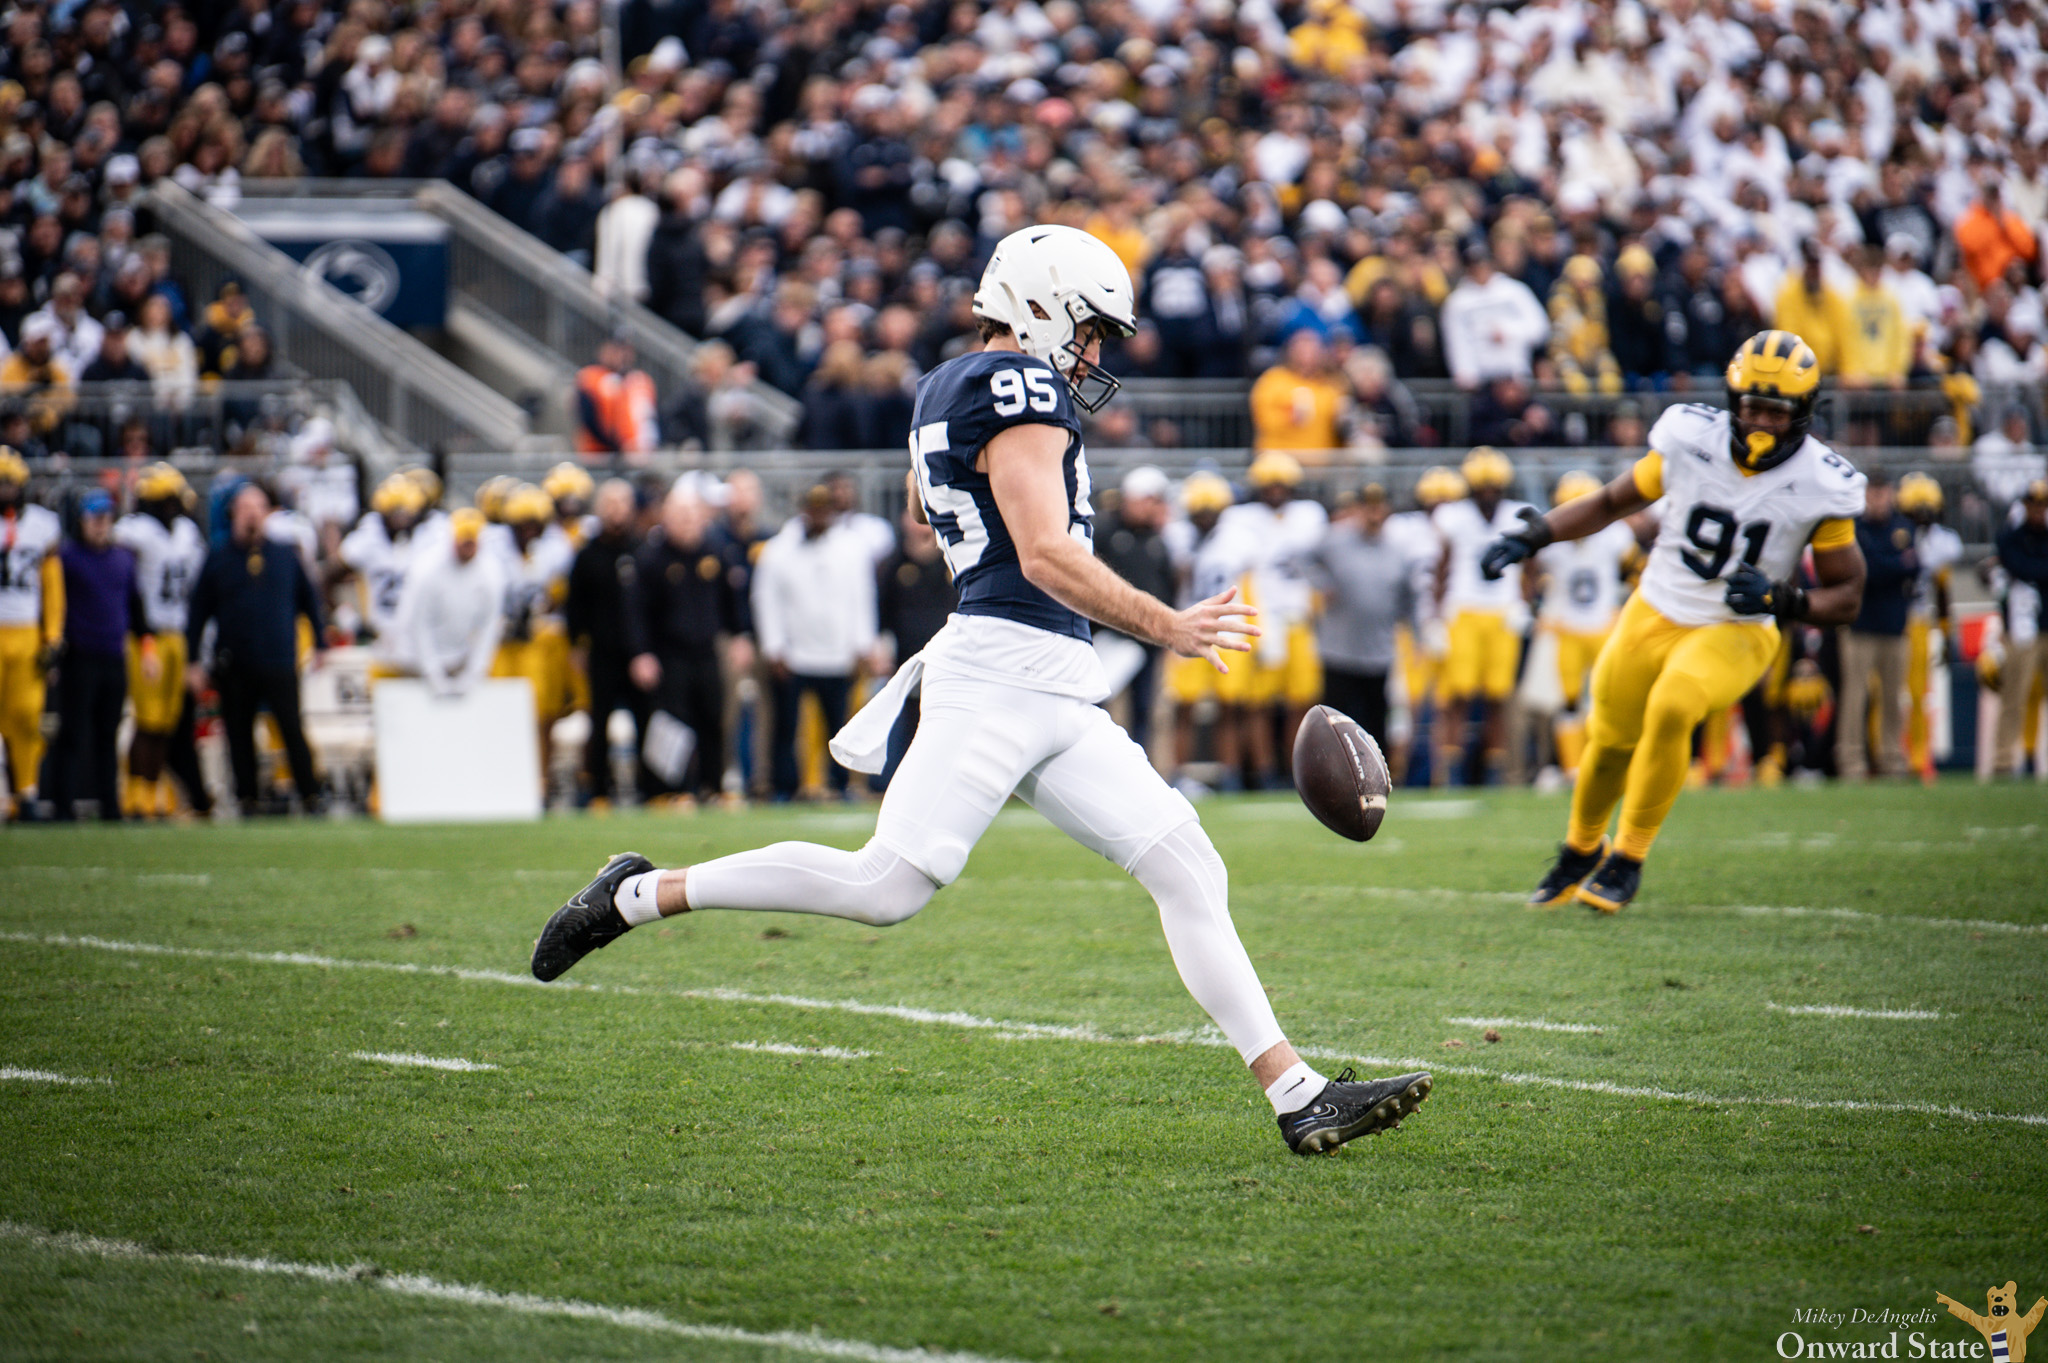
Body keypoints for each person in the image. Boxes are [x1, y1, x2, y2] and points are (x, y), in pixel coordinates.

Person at [531, 224, 1432, 1158]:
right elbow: (1043, 553)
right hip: (1003, 670)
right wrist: (1169, 624)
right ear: (1043, 308)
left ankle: (1297, 1093)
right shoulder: (1020, 384)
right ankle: (636, 895)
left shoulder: (946, 385)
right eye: (1088, 330)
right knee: (886, 886)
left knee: (1188, 865)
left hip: (1050, 681)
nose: (1091, 354)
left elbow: (931, 508)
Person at [1481, 330, 1868, 913]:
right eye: (1752, 406)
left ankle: (1629, 858)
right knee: (1608, 739)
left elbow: (1848, 596)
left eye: (1776, 410)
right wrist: (1536, 534)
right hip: (1655, 607)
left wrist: (1783, 600)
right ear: (1732, 399)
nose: (1760, 420)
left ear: (1804, 414)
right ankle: (1581, 849)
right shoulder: (1690, 438)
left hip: (1736, 629)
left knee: (1674, 704)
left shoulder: (1822, 483)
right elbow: (1613, 502)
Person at [186, 481, 327, 815]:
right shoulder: (219, 556)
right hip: (234, 660)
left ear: (268, 513)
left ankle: (310, 794)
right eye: (245, 508)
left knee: (291, 727)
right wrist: (192, 660)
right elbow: (198, 611)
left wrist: (320, 642)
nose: (252, 515)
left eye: (258, 507)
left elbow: (310, 600)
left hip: (278, 657)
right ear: (234, 513)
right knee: (239, 731)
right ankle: (247, 797)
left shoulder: (284, 554)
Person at [626, 483, 752, 804]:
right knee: (673, 723)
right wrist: (641, 653)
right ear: (666, 518)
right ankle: (671, 790)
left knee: (713, 717)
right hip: (669, 654)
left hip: (707, 650)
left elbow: (732, 600)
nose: (687, 521)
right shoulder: (651, 558)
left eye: (692, 515)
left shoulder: (715, 552)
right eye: (680, 515)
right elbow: (636, 611)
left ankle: (714, 786)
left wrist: (740, 636)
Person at [751, 482, 876, 799]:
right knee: (787, 725)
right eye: (814, 509)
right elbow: (767, 599)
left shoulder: (852, 548)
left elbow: (862, 597)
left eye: (825, 509)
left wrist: (863, 644)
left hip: (838, 653)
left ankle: (838, 784)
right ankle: (784, 786)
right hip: (795, 653)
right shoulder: (780, 549)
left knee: (839, 725)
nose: (820, 516)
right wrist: (774, 647)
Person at [1217, 451, 1328, 786]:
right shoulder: (1241, 519)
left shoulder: (1310, 515)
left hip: (1300, 618)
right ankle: (1263, 773)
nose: (1276, 489)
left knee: (1302, 701)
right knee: (1256, 703)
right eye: (1270, 483)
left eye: (1281, 483)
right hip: (1261, 618)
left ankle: (1297, 773)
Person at [1432, 446, 1533, 786]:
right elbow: (1442, 567)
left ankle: (1494, 772)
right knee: (1457, 695)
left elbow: (1532, 566)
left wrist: (1524, 602)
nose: (1489, 495)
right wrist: (1436, 616)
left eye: (1494, 488)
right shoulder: (1454, 515)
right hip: (1463, 610)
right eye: (1483, 488)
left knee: (1498, 697)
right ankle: (1451, 772)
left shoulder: (1516, 514)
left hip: (1502, 611)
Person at [114, 462, 209, 819]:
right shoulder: (134, 531)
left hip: (177, 635)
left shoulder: (185, 532)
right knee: (148, 720)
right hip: (146, 636)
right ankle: (135, 797)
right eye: (169, 500)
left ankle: (151, 796)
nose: (176, 507)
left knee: (167, 722)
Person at [1532, 470, 1638, 779]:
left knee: (1608, 699)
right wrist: (1537, 605)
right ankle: (1573, 767)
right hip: (1568, 629)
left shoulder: (1615, 536)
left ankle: (1604, 763)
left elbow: (1635, 567)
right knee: (1568, 702)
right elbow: (1531, 576)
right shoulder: (1552, 545)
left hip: (1604, 625)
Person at [48, 490, 138, 820]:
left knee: (108, 734)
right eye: (94, 518)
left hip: (114, 654)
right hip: (80, 654)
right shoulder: (69, 558)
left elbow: (134, 606)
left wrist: (145, 643)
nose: (101, 525)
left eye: (105, 518)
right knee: (73, 731)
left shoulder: (123, 559)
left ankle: (110, 806)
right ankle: (63, 805)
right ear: (82, 521)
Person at [1303, 484, 1411, 747]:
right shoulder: (1336, 539)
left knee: (1376, 723)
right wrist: (1322, 583)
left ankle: (1375, 781)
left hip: (1378, 648)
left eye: (1380, 506)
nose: (1374, 513)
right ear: (1359, 509)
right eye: (1369, 506)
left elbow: (1406, 594)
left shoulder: (1396, 548)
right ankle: (1331, 781)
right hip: (1340, 647)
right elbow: (1302, 559)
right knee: (1334, 724)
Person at [568, 479, 652, 808]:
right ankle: (598, 790)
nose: (616, 510)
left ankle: (650, 789)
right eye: (610, 503)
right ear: (600, 509)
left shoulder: (643, 551)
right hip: (601, 651)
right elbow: (575, 606)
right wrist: (577, 645)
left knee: (645, 720)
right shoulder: (587, 555)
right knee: (598, 720)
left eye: (622, 502)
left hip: (637, 654)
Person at [1837, 473, 1917, 780]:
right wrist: (1895, 565)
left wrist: (1883, 566)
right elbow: (1864, 569)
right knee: (1855, 695)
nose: (1878, 500)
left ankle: (1891, 758)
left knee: (1893, 695)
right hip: (1860, 623)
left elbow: (1914, 564)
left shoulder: (1902, 527)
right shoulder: (1854, 528)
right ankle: (1851, 760)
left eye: (1882, 493)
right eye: (1873, 493)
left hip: (1895, 624)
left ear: (1891, 495)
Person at [1094, 466, 1175, 753]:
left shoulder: (1157, 539)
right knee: (1096, 705)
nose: (1156, 508)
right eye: (1151, 500)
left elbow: (1168, 585)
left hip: (1146, 640)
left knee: (1144, 710)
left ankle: (1142, 764)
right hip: (1108, 637)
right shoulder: (1103, 531)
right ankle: (1097, 762)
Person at [0, 448, 62, 820]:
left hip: (26, 633)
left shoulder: (42, 524)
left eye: (10, 482)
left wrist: (53, 637)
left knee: (26, 716)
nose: (6, 490)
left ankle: (28, 791)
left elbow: (53, 589)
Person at [399, 508, 503, 698]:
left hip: (458, 660)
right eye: (463, 542)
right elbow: (418, 623)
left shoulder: (491, 572)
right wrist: (431, 672)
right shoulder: (426, 569)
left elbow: (489, 625)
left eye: (472, 543)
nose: (468, 548)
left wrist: (474, 672)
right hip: (415, 661)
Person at [1898, 473, 1961, 780]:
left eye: (1927, 513)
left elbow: (1943, 593)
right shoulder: (1893, 535)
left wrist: (1947, 633)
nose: (1921, 520)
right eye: (1915, 513)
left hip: (1920, 620)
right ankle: (1888, 755)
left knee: (1918, 693)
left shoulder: (1941, 542)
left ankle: (1917, 756)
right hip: (1892, 621)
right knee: (1884, 692)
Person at [1991, 481, 2048, 778]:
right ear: (2025, 506)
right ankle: (2003, 760)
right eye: (2034, 504)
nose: (2038, 510)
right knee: (2014, 696)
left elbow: (2028, 569)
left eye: (2043, 505)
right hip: (2021, 628)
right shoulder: (2011, 537)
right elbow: (2018, 567)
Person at [575, 334, 659, 462]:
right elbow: (589, 418)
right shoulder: (590, 377)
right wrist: (616, 445)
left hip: (625, 452)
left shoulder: (628, 380)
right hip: (598, 453)